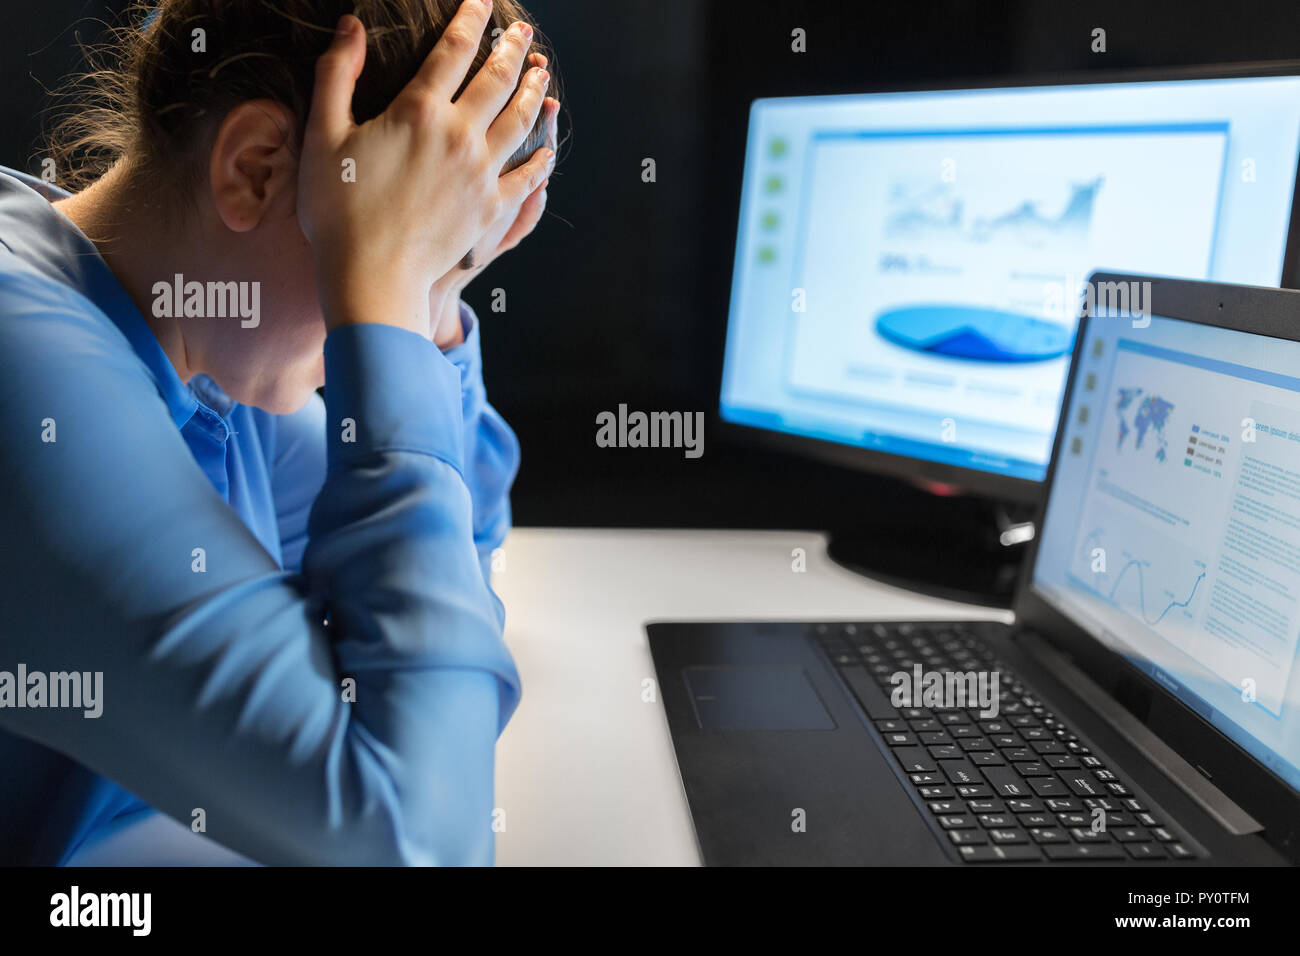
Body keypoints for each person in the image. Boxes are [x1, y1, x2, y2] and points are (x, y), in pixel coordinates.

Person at [0, 0, 557, 865]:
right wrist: (390, 312)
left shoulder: (201, 359)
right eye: (401, 252)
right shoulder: (23, 369)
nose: (375, 342)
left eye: (453, 267)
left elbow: (459, 573)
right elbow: (419, 839)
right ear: (257, 169)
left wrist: (432, 308)